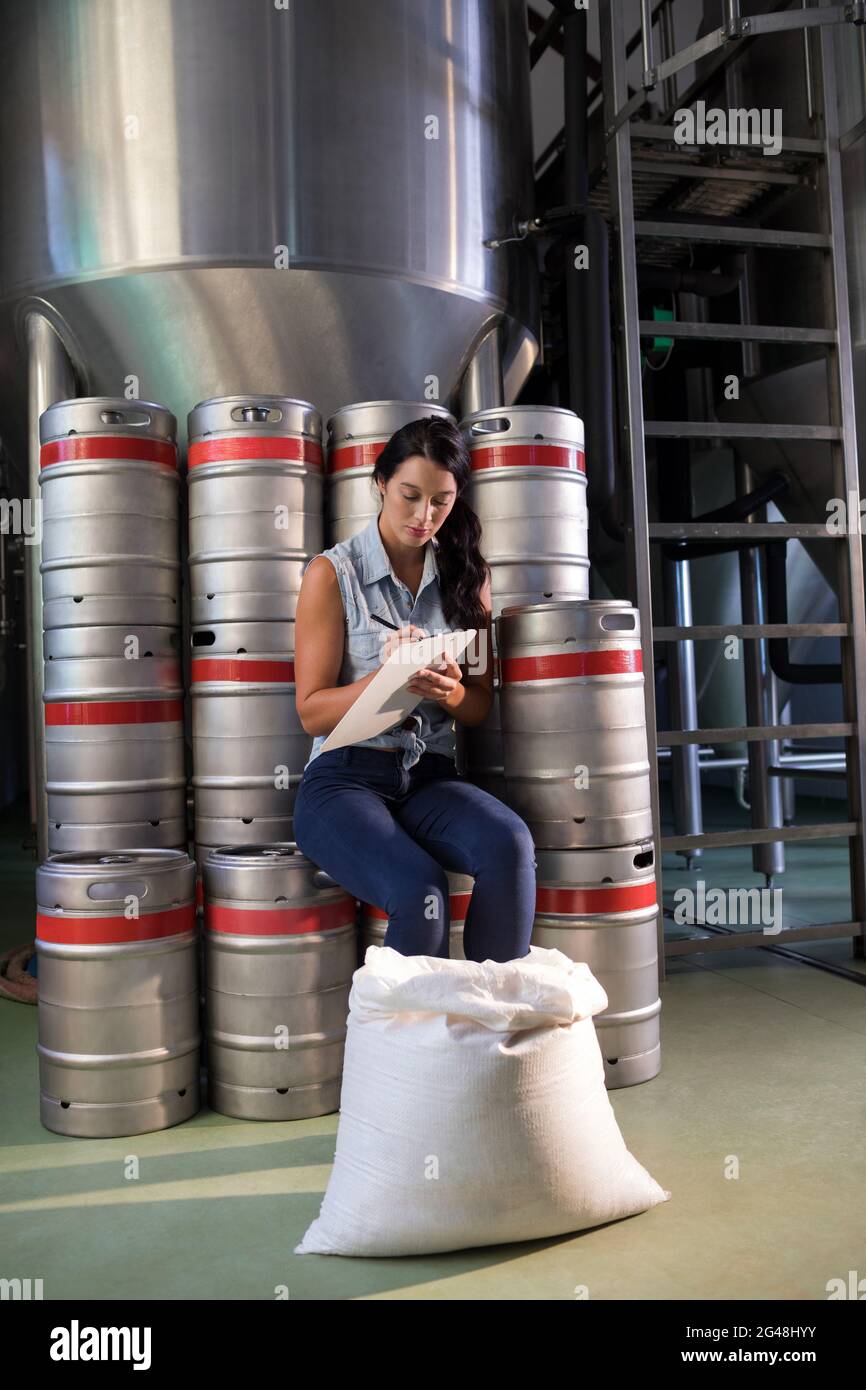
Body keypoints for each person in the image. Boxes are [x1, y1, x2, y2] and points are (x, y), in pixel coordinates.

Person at [292, 414, 537, 961]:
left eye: (441, 501)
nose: (424, 516)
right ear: (380, 482)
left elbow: (475, 707)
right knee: (419, 890)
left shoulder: (467, 576)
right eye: (410, 495)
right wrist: (387, 679)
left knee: (510, 844)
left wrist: (446, 690)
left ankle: (488, 1027)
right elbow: (311, 713)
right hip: (343, 781)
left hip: (427, 779)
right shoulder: (333, 575)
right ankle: (407, 1048)